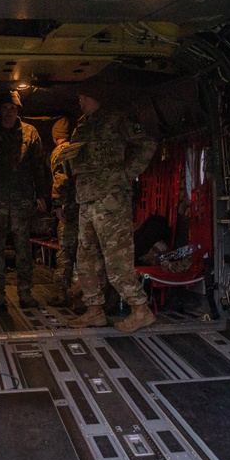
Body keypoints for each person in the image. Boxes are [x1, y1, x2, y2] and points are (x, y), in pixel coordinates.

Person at [67, 82, 157, 333]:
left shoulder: (117, 120)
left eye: (86, 96)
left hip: (110, 199)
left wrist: (124, 173)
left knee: (117, 259)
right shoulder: (82, 125)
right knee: (85, 259)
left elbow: (147, 143)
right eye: (80, 97)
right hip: (86, 198)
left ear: (98, 96)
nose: (81, 101)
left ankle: (140, 308)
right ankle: (94, 310)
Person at [0, 91, 49, 308]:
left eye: (13, 108)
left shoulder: (30, 132)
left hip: (22, 200)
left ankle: (25, 292)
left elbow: (39, 167)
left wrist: (41, 195)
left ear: (18, 111)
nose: (9, 112)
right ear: (0, 110)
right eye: (5, 108)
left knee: (23, 249)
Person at [47, 117, 79, 308]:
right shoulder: (77, 149)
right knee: (83, 253)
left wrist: (57, 204)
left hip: (68, 209)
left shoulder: (59, 152)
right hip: (82, 207)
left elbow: (60, 179)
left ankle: (61, 294)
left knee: (65, 253)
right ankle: (80, 294)